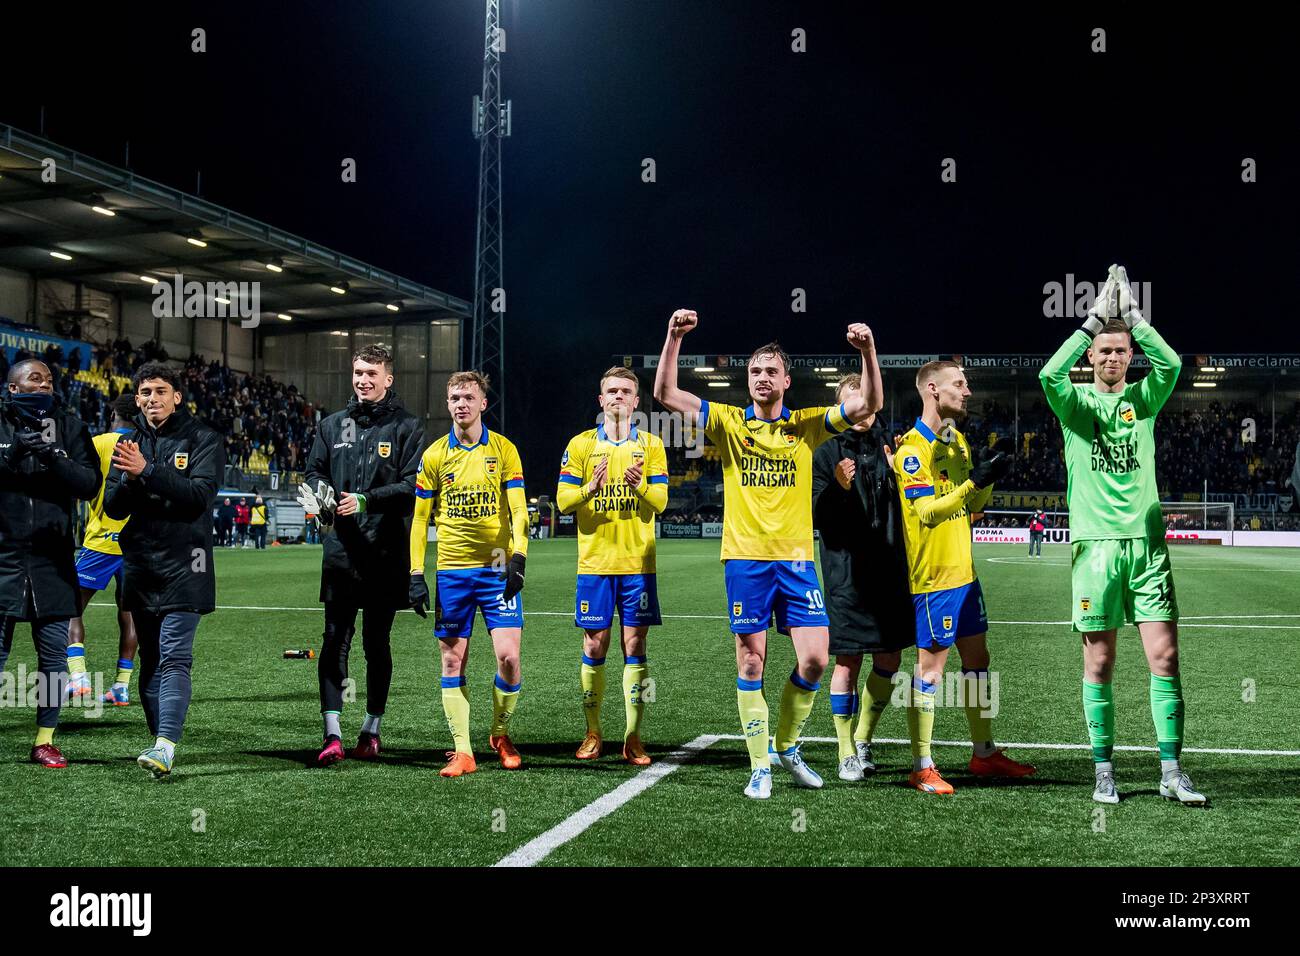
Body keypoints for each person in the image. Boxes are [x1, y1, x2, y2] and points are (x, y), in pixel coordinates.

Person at [653, 310, 882, 799]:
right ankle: (760, 766)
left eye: (770, 371)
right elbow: (666, 395)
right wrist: (673, 339)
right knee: (751, 663)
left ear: (786, 380)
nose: (761, 378)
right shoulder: (729, 424)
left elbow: (868, 404)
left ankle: (787, 745)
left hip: (797, 561)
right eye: (754, 371)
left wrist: (867, 352)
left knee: (817, 659)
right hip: (746, 560)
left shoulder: (806, 426)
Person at [1040, 265, 1203, 806]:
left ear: (1131, 356)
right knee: (1100, 663)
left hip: (1147, 545)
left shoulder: (1145, 401)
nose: (1112, 357)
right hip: (1095, 549)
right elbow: (1047, 375)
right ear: (1091, 356)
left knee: (1165, 659)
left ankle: (1171, 771)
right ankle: (1103, 771)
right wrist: (1090, 323)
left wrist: (1134, 317)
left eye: (1121, 350)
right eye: (1104, 350)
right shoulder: (1076, 405)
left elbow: (1173, 363)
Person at [892, 360, 1036, 794]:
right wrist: (974, 482)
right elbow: (927, 513)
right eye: (960, 384)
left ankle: (984, 753)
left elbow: (972, 506)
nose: (967, 391)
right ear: (932, 390)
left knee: (978, 662)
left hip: (965, 573)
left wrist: (992, 473)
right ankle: (921, 765)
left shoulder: (959, 444)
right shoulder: (913, 450)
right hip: (934, 575)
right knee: (930, 672)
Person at [300, 344, 424, 766]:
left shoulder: (408, 428)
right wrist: (320, 498)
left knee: (376, 643)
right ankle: (332, 733)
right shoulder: (333, 426)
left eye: (372, 373)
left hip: (386, 554)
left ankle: (371, 727)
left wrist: (367, 501)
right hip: (340, 553)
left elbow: (413, 486)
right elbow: (314, 471)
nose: (363, 380)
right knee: (334, 640)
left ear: (389, 378)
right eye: (357, 372)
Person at [104, 362, 223, 778]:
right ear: (136, 399)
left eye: (160, 391)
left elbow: (198, 498)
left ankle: (166, 745)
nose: (152, 398)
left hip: (187, 563)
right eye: (145, 392)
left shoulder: (204, 439)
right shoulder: (128, 442)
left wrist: (148, 471)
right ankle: (159, 742)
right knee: (151, 658)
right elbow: (112, 507)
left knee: (175, 656)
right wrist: (134, 478)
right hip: (140, 564)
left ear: (176, 397)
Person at [409, 371, 529, 777]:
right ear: (448, 404)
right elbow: (420, 518)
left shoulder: (504, 450)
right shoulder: (434, 456)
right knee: (451, 661)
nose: (461, 404)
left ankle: (499, 732)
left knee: (509, 658)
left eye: (468, 397)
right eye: (454, 398)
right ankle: (463, 751)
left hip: (496, 566)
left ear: (483, 404)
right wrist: (415, 573)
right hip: (453, 570)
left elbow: (518, 511)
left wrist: (519, 559)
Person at [556, 366, 668, 766]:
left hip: (638, 565)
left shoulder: (652, 445)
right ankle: (593, 732)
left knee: (635, 645)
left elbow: (660, 502)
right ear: (601, 400)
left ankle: (633, 737)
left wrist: (639, 486)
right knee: (593, 645)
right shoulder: (581, 445)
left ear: (636, 402)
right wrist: (591, 488)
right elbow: (563, 502)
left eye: (626, 391)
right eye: (611, 391)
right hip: (595, 564)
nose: (618, 397)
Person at [811, 373, 915, 782]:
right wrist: (837, 487)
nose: (858, 408)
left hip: (890, 570)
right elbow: (817, 516)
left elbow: (914, 505)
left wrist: (901, 474)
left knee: (890, 658)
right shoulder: (825, 451)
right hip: (846, 573)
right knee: (848, 660)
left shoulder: (896, 446)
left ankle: (864, 737)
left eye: (864, 399)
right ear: (840, 408)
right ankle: (844, 750)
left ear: (875, 405)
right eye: (849, 400)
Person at [0, 359, 100, 767]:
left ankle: (44, 740)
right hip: (2, 555)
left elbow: (90, 485)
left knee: (54, 659)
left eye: (49, 379)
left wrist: (57, 459)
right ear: (12, 388)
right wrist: (11, 455)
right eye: (35, 378)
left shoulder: (72, 427)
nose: (45, 384)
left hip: (53, 558)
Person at [66, 392, 141, 707]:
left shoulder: (98, 443)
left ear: (114, 415)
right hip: (135, 544)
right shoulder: (146, 445)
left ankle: (79, 678)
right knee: (129, 615)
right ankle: (121, 686)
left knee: (70, 607)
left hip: (101, 540)